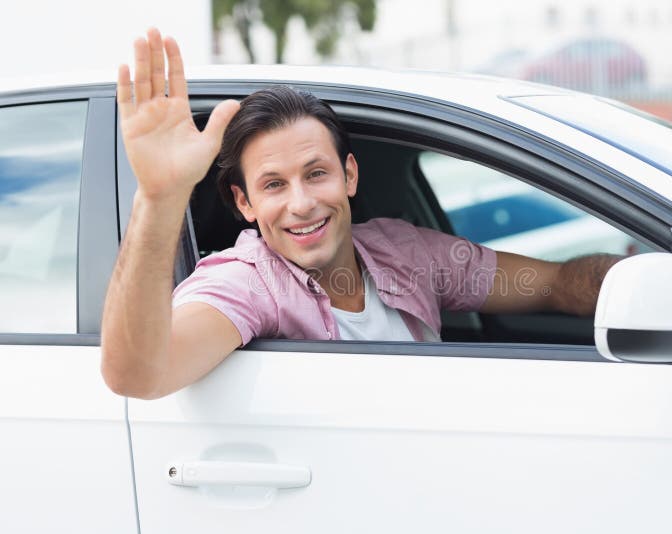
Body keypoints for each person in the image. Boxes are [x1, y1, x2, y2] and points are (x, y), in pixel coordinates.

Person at [101, 29, 620, 400]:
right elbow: (138, 375)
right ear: (245, 204)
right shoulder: (247, 283)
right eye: (274, 185)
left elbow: (556, 284)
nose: (301, 203)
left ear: (349, 175)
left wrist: (637, 275)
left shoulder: (404, 252)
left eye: (316, 174)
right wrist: (159, 198)